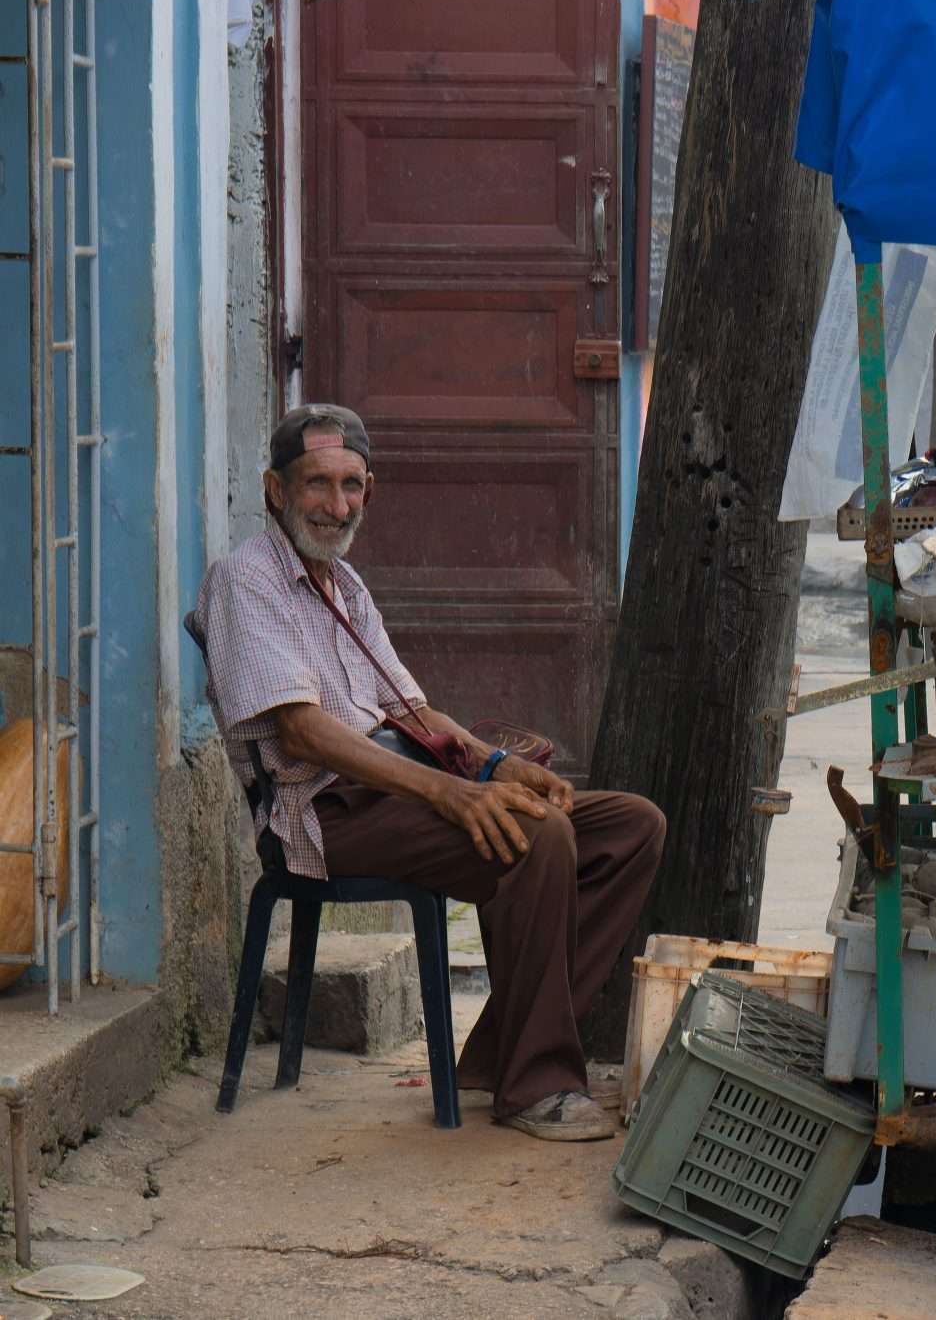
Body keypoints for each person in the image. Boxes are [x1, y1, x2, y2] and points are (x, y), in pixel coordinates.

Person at [194, 406, 665, 1143]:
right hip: (321, 816)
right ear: (275, 491)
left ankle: (497, 1053)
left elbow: (412, 710)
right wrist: (451, 790)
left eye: (352, 485)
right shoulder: (245, 579)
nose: (336, 503)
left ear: (370, 490)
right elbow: (302, 730)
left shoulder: (343, 585)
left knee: (631, 826)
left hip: (391, 791)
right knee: (536, 839)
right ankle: (535, 1084)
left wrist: (495, 763)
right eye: (317, 483)